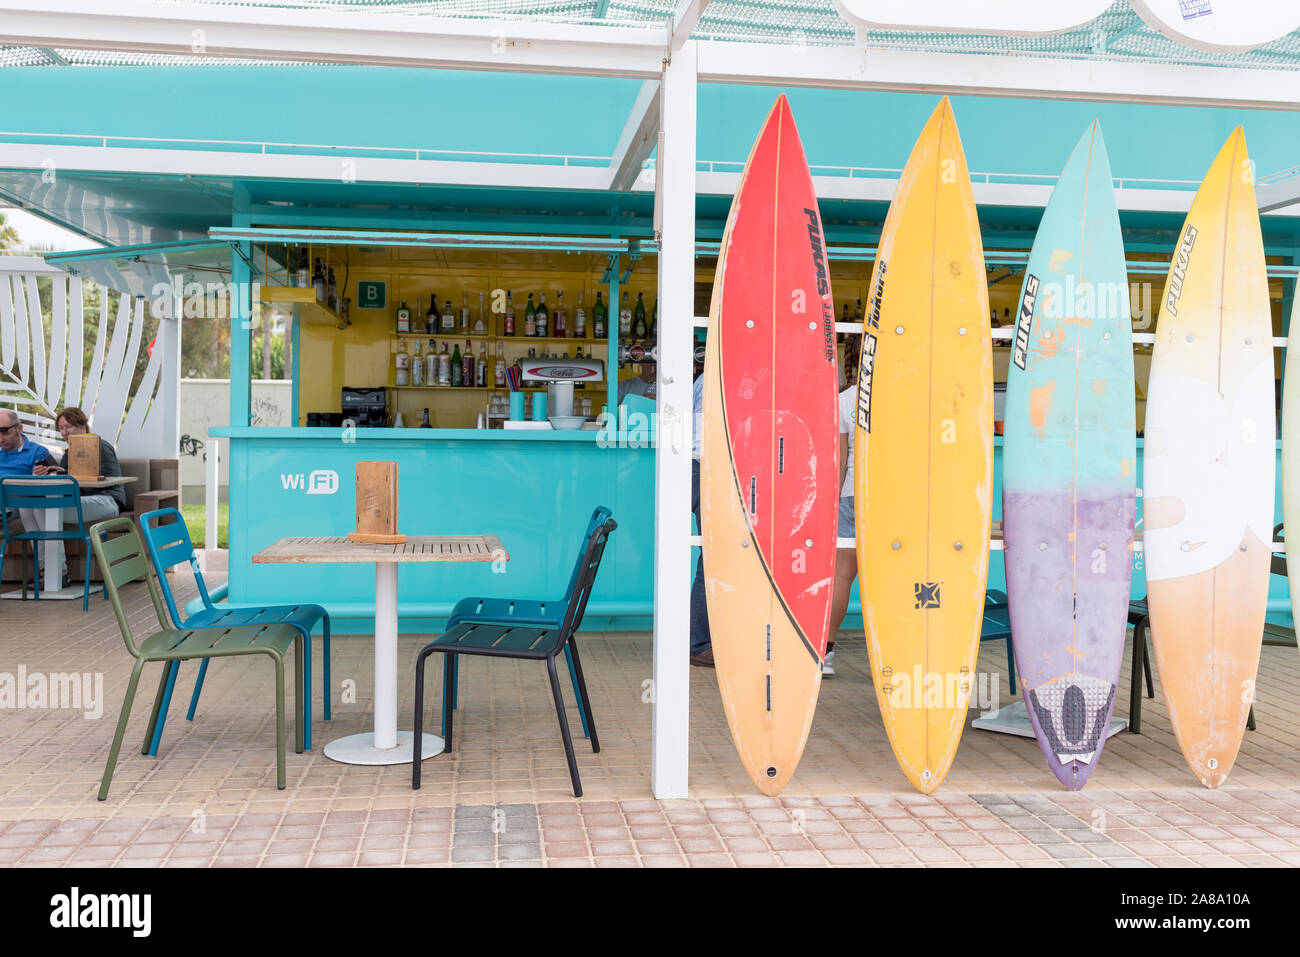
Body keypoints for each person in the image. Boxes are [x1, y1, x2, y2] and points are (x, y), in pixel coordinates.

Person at [30, 406, 124, 586]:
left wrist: (70, 476)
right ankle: (50, 570)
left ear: (82, 425)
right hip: (82, 502)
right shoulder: (69, 452)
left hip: (107, 501)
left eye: (69, 427)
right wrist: (56, 474)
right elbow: (71, 485)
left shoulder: (100, 446)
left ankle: (59, 571)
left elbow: (111, 480)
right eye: (61, 428)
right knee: (32, 507)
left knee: (47, 508)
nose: (64, 432)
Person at [826, 382, 860, 678]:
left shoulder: (847, 399)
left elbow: (840, 459)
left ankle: (825, 654)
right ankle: (893, 655)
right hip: (899, 500)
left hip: (852, 495)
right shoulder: (906, 388)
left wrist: (831, 502)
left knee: (841, 575)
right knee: (894, 579)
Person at [689, 368, 712, 667]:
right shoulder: (721, 377)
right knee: (713, 557)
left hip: (701, 467)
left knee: (712, 556)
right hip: (708, 469)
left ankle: (704, 642)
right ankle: (700, 645)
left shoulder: (706, 378)